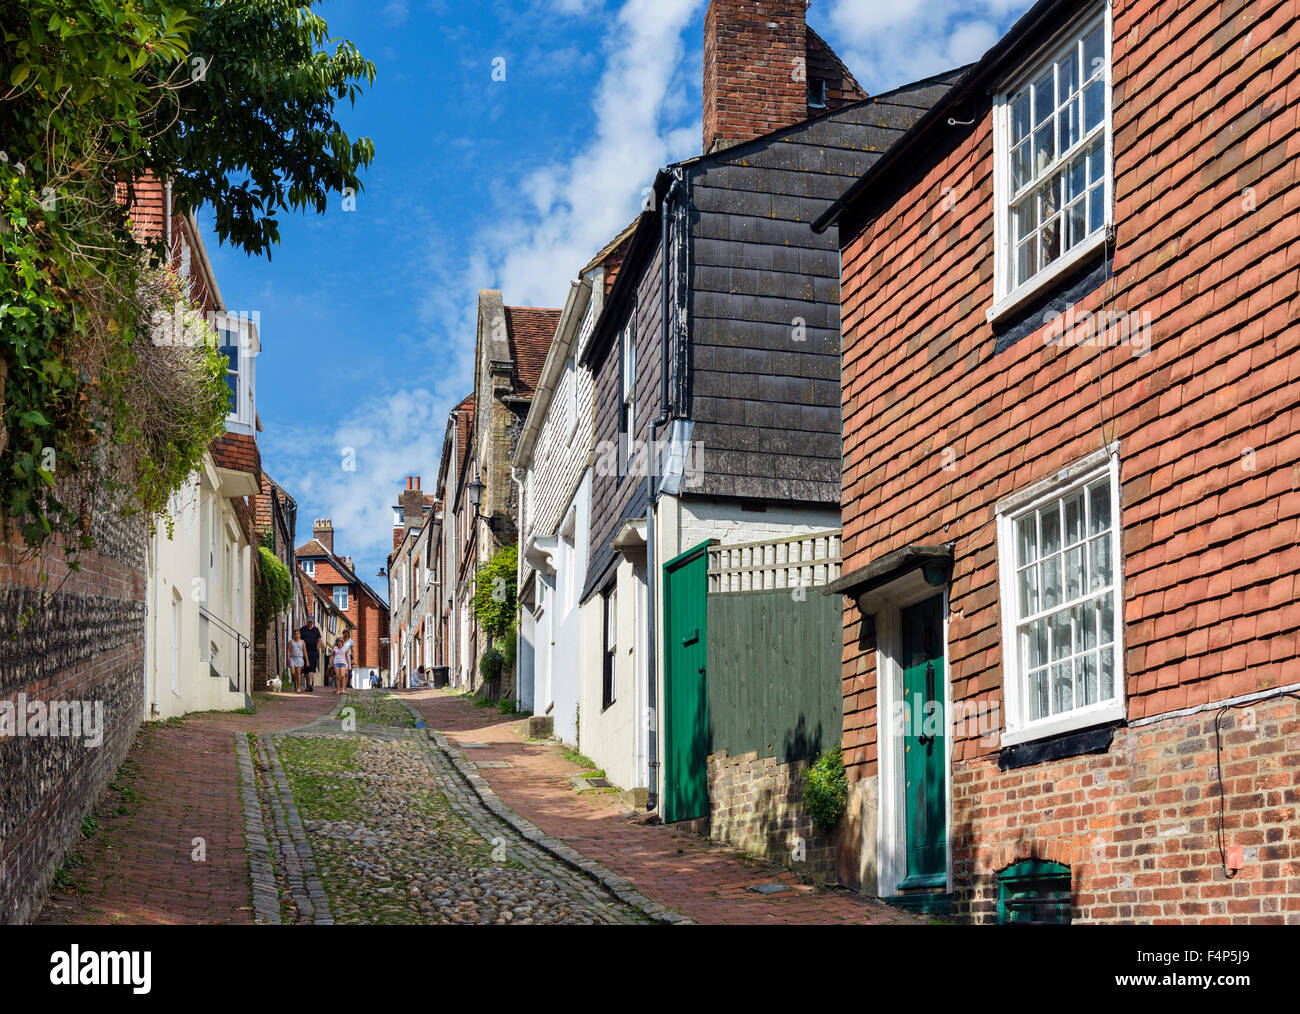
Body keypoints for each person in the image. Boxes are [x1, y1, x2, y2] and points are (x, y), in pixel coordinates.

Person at [298, 616, 322, 692]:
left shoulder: (316, 630)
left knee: (311, 668)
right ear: (306, 621)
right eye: (308, 621)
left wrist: (317, 649)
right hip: (304, 652)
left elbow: (319, 640)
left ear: (313, 622)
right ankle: (308, 684)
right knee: (305, 669)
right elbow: (298, 639)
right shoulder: (302, 630)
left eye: (311, 621)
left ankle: (310, 684)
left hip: (313, 652)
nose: (310, 623)